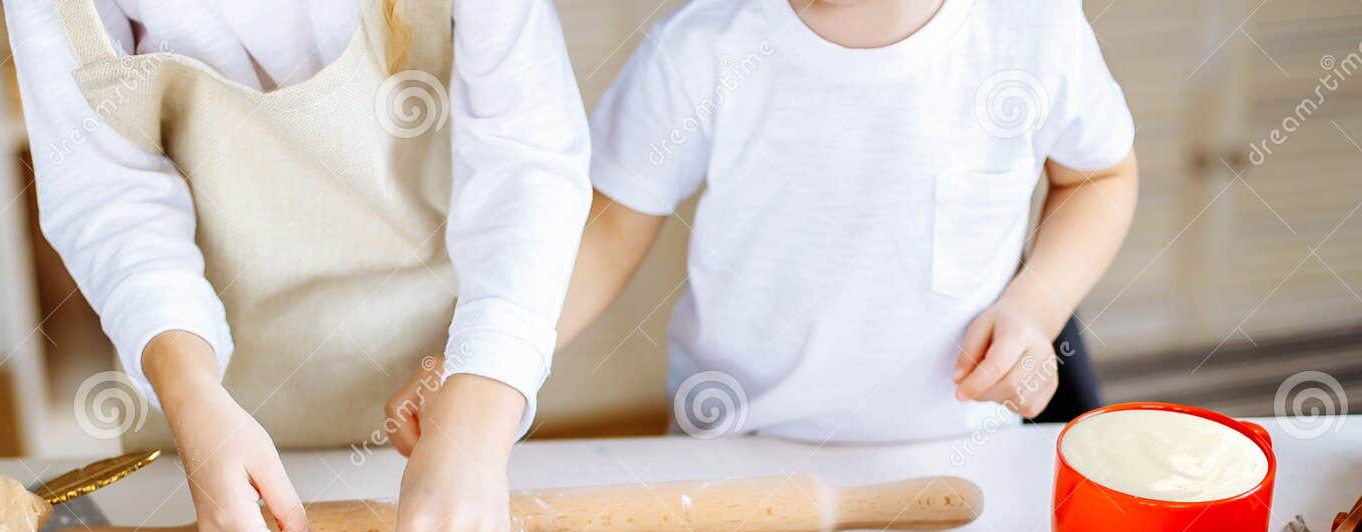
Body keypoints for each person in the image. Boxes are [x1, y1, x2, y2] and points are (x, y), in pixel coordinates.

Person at [4, 0, 591, 532]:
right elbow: (104, 191)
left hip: (439, 389)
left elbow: (527, 150)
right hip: (209, 401)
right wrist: (193, 394)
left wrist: (480, 408)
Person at [480, 0, 1139, 443]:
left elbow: (1097, 176)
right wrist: (488, 364)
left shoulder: (1029, 27)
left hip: (957, 457)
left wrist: (1038, 306)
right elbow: (607, 228)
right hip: (739, 457)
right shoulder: (710, 40)